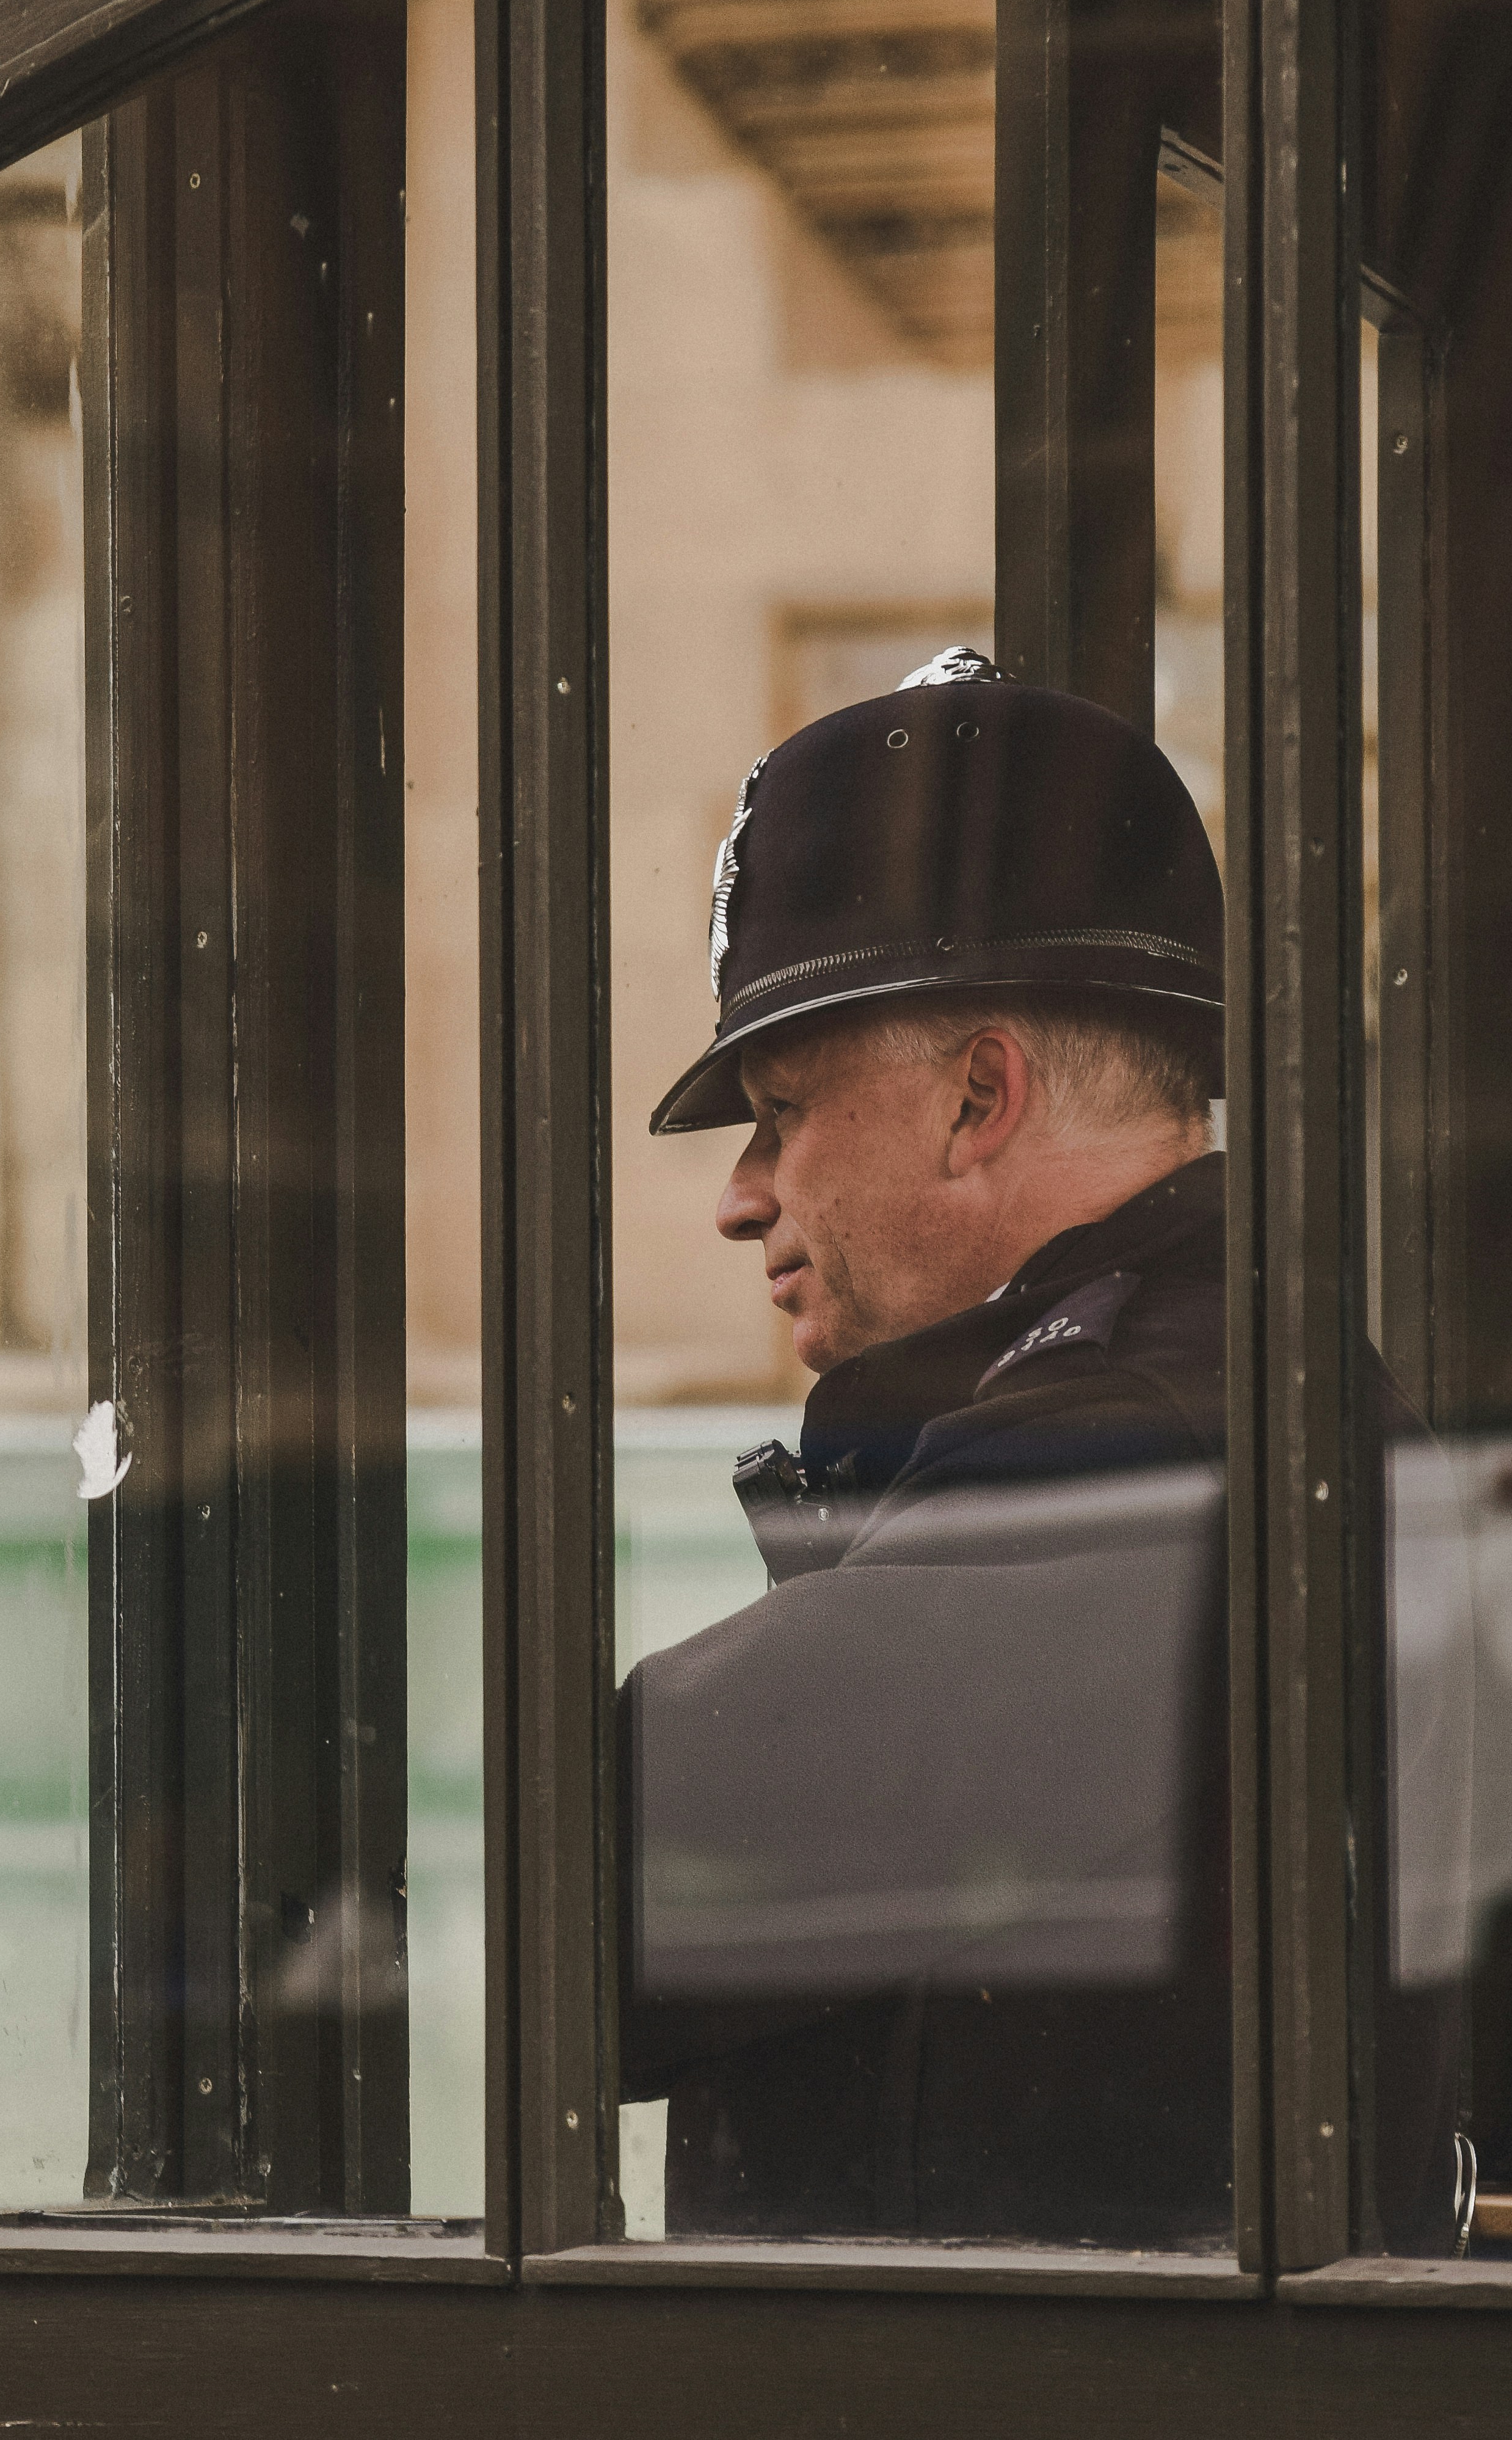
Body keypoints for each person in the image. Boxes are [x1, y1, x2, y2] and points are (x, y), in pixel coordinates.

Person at [618, 647, 1239, 2244]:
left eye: (781, 1109)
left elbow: (615, 1891)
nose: (739, 1194)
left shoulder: (1131, 1447)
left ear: (978, 1098)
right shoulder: (1195, 1378)